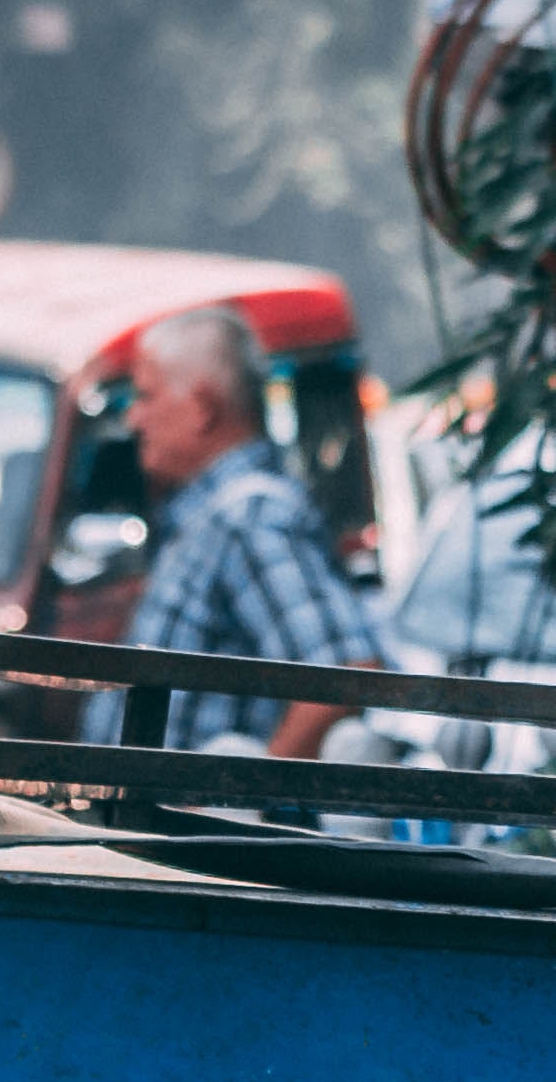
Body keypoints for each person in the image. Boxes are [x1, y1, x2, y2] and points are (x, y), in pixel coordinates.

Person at [88, 306, 383, 756]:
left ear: (202, 408)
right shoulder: (218, 514)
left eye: (146, 396)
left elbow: (345, 675)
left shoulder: (250, 514)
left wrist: (247, 793)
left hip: (190, 805)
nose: (134, 418)